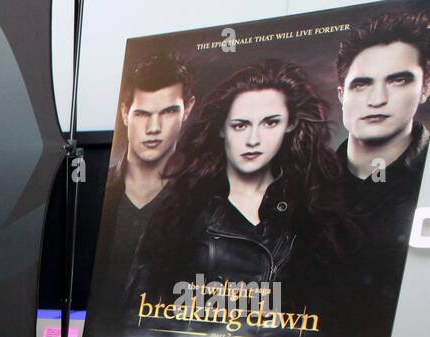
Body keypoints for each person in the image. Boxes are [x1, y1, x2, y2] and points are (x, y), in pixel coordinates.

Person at [127, 60, 352, 313]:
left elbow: (334, 318)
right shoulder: (179, 211)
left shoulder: (316, 211)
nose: (253, 140)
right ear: (222, 128)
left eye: (270, 123)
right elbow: (137, 312)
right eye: (240, 125)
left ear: (290, 125)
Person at [334, 11, 430, 312]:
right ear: (341, 94)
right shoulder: (299, 185)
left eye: (399, 80)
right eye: (361, 84)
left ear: (425, 88)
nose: (377, 99)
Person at [99, 54, 195, 311]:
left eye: (169, 111)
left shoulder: (202, 203)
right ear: (124, 113)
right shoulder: (92, 192)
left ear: (188, 109)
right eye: (142, 113)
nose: (154, 127)